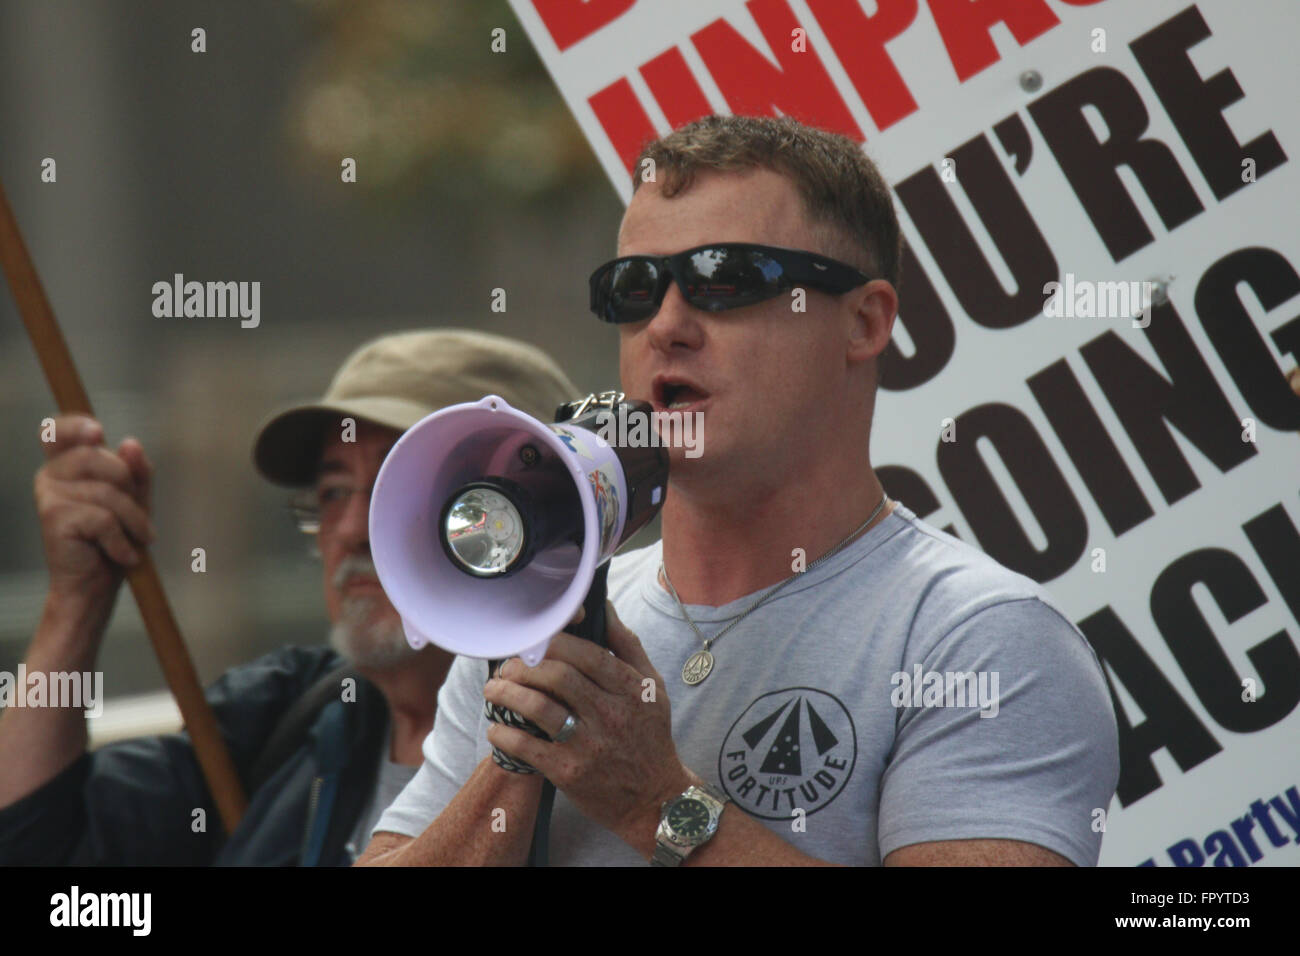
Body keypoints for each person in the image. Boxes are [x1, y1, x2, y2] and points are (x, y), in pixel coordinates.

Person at [358, 115, 1121, 867]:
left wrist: (657, 805)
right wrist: (524, 754)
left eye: (725, 279)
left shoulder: (980, 638)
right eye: (633, 287)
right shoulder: (538, 605)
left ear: (864, 321)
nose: (666, 325)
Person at [0, 329, 580, 865]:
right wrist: (78, 600)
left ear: (543, 517)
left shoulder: (607, 756)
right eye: (331, 491)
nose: (352, 529)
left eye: (398, 485)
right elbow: (33, 845)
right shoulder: (285, 717)